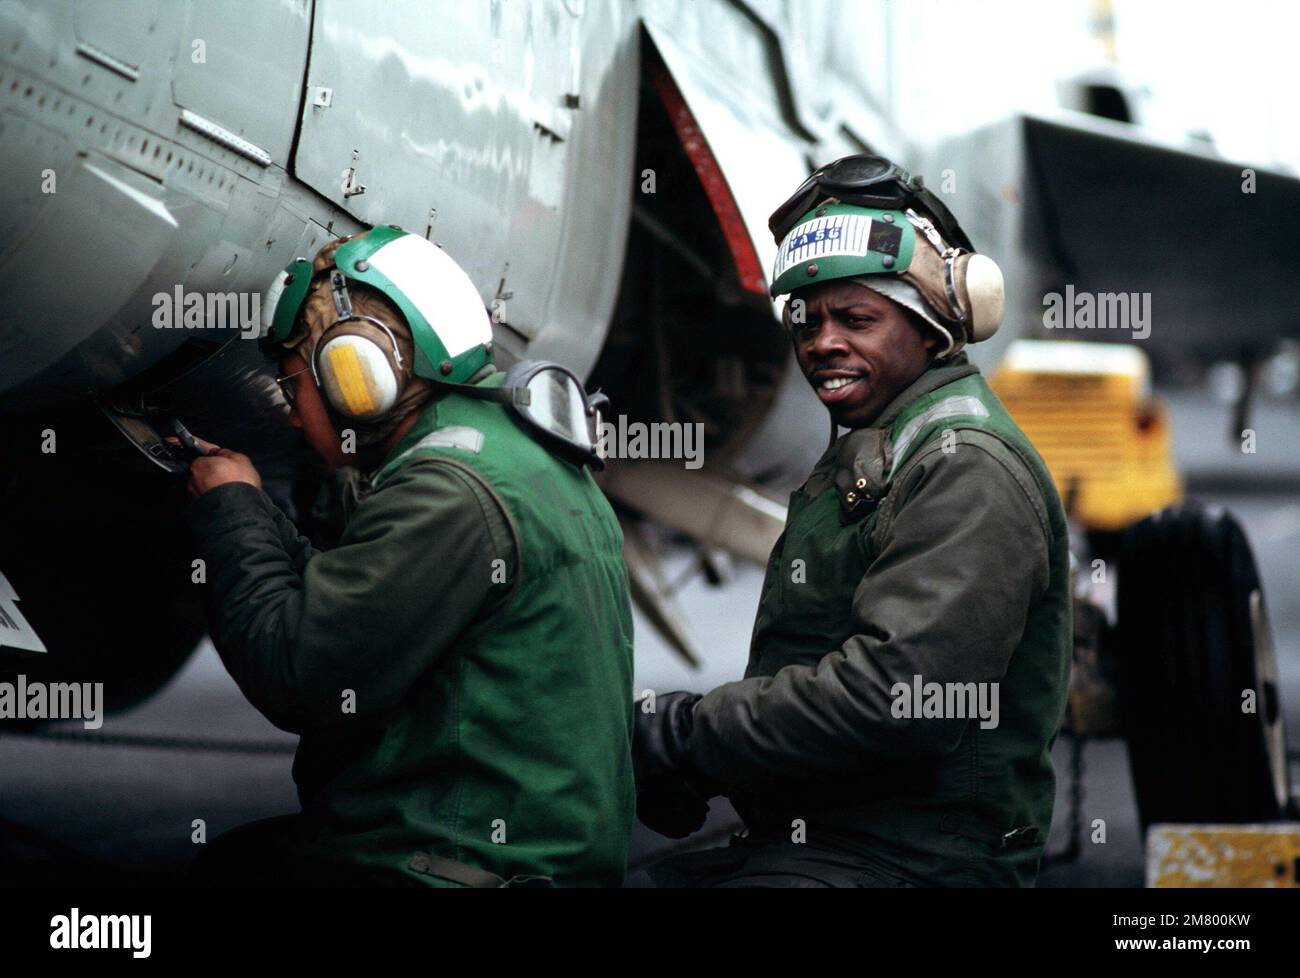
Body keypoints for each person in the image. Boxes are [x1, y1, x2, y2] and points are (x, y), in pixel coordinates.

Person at [633, 155, 1071, 887]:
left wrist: (692, 736)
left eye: (856, 318)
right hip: (844, 840)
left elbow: (894, 699)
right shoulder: (889, 444)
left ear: (932, 327)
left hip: (920, 861)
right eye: (806, 320)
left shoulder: (962, 466)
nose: (822, 341)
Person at [184, 226, 635, 887]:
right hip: (523, 856)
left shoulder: (444, 491)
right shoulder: (507, 447)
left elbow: (295, 673)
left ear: (353, 378)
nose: (287, 415)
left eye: (291, 387)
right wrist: (260, 507)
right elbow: (368, 595)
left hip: (456, 869)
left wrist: (231, 511)